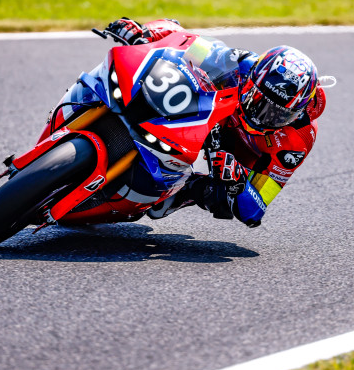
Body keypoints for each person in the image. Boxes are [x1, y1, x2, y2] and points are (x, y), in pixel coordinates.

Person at [103, 17, 325, 227]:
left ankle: (184, 190)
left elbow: (254, 212)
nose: (263, 117)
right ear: (252, 80)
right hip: (220, 117)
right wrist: (147, 33)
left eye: (279, 115)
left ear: (298, 112)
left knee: (215, 200)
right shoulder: (244, 63)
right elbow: (188, 42)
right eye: (259, 101)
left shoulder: (298, 141)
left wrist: (237, 179)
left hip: (237, 157)